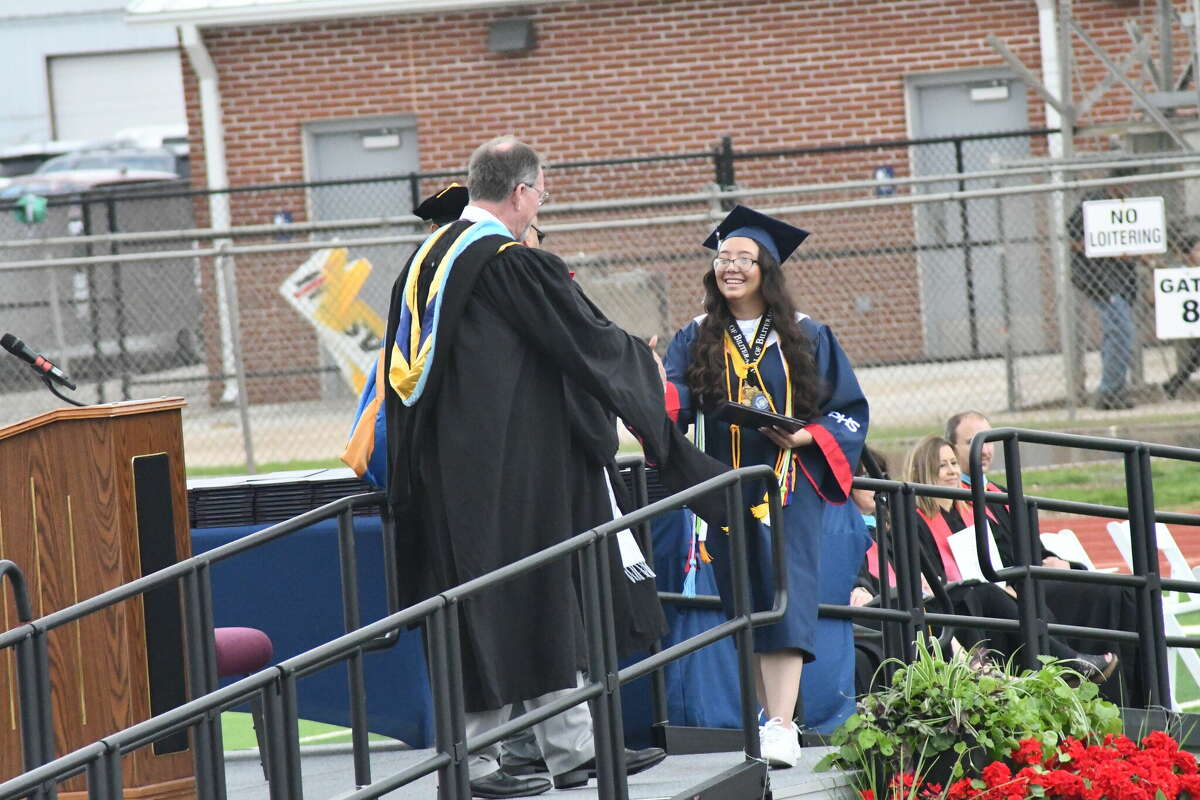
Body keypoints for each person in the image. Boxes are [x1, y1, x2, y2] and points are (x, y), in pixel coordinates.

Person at [382, 137, 728, 797]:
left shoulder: (425, 262)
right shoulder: (507, 263)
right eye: (540, 193)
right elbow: (582, 339)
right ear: (520, 193)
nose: (540, 204)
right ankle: (478, 763)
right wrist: (642, 365)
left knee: (534, 595)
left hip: (451, 467)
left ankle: (569, 751)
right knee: (502, 599)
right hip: (506, 468)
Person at [661, 205, 869, 768]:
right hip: (725, 487)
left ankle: (781, 722)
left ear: (767, 270)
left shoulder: (806, 334)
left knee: (785, 595)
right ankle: (768, 719)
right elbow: (674, 401)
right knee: (744, 599)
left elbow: (847, 410)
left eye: (743, 259)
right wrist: (646, 384)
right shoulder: (696, 336)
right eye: (723, 258)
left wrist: (806, 437)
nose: (730, 267)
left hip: (787, 488)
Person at [945, 410, 1146, 707]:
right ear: (952, 448)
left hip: (1035, 579)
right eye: (972, 442)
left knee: (1127, 590)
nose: (984, 450)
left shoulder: (1002, 493)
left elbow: (1035, 549)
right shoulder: (951, 500)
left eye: (989, 441)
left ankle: (1139, 700)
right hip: (1010, 588)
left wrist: (1063, 564)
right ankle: (1105, 694)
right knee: (1106, 594)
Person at [904, 435, 1119, 681]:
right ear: (923, 471)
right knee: (994, 597)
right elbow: (931, 576)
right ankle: (1067, 664)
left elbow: (998, 557)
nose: (952, 471)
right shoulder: (915, 519)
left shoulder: (968, 511)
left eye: (953, 463)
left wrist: (1009, 585)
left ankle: (1060, 674)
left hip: (985, 590)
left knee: (1031, 600)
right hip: (952, 600)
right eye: (942, 466)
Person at [1067, 174, 1140, 410]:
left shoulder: (1128, 206)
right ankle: (1109, 391)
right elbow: (1074, 239)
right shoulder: (1094, 202)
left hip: (1122, 281)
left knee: (1119, 334)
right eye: (1125, 183)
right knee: (1119, 331)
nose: (1128, 188)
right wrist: (1108, 249)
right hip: (1099, 280)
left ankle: (1115, 390)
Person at [1164, 233, 1200, 398]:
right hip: (1188, 323)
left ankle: (1174, 383)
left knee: (1196, 357)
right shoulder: (1179, 274)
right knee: (1196, 355)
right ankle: (1174, 383)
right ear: (1187, 254)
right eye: (1197, 250)